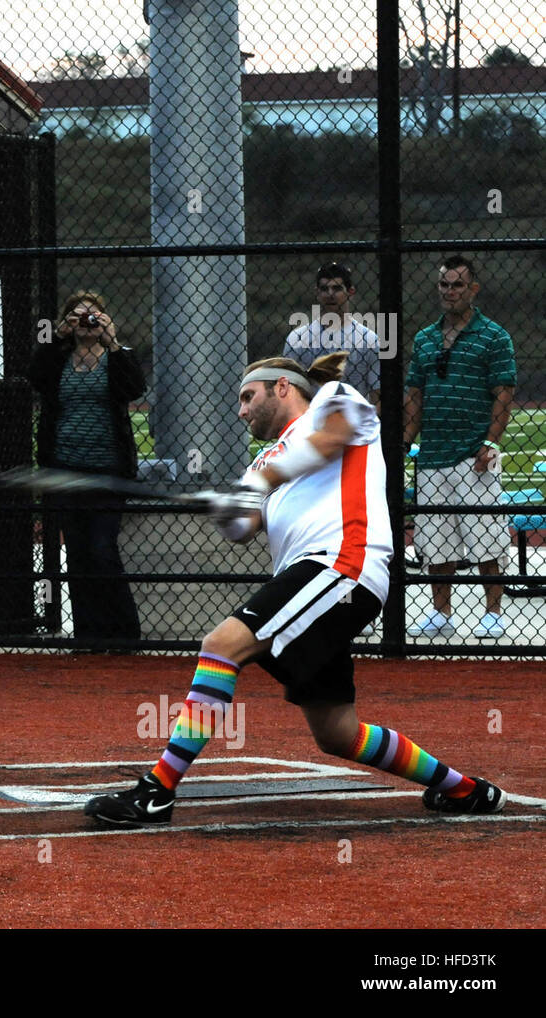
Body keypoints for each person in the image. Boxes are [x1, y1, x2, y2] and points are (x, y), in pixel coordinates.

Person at [84, 353, 506, 827]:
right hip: (314, 581)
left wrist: (261, 481)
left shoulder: (333, 400)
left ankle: (157, 792)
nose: (242, 411)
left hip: (341, 565)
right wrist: (226, 505)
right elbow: (243, 528)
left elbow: (332, 441)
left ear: (282, 387)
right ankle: (466, 790)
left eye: (249, 396)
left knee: (221, 645)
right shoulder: (263, 460)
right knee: (337, 732)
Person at [403, 254, 516, 640]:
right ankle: (441, 612)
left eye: (457, 284)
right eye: (444, 284)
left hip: (474, 455)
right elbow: (415, 394)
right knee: (436, 543)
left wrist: (490, 442)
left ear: (473, 289)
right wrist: (405, 441)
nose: (449, 291)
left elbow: (503, 394)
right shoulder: (425, 338)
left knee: (486, 538)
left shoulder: (495, 336)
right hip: (432, 454)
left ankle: (493, 612)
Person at [27, 291, 144, 642]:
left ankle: (124, 634)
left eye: (95, 316)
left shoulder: (117, 358)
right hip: (66, 467)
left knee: (102, 550)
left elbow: (134, 388)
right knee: (77, 553)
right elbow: (35, 377)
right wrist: (59, 336)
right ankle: (88, 635)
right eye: (80, 317)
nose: (88, 323)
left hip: (107, 469)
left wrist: (113, 344)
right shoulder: (58, 358)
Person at [282, 262, 380, 407]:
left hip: (354, 421)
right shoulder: (298, 338)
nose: (330, 294)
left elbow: (377, 394)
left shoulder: (368, 339)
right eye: (324, 289)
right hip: (312, 422)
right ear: (317, 292)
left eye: (337, 288)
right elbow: (288, 390)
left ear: (350, 292)